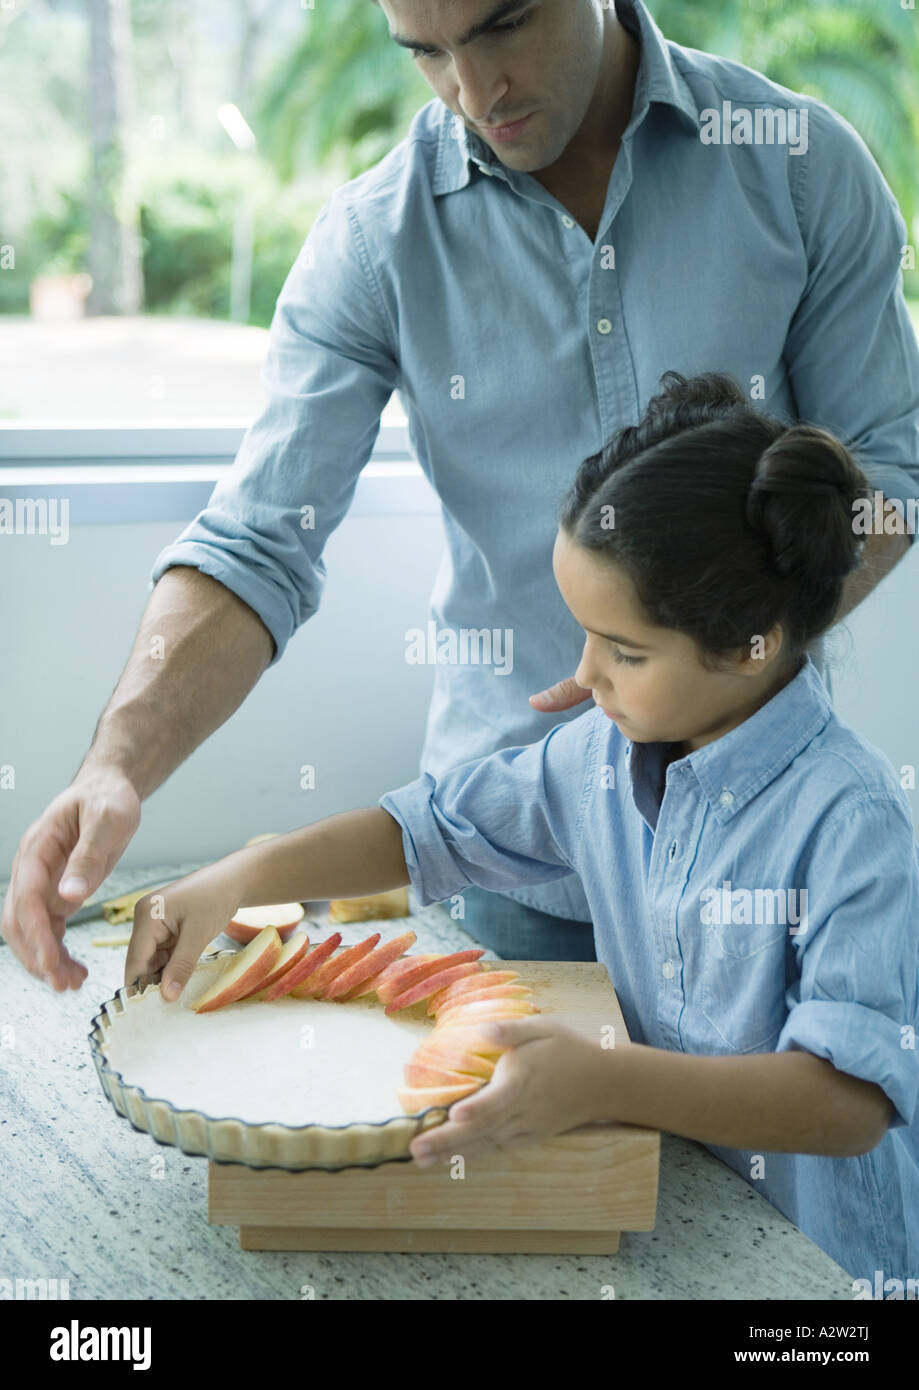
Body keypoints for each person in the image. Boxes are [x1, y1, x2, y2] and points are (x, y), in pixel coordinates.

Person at [4, 0, 917, 987]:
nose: (474, 93)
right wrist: (116, 764)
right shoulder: (370, 243)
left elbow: (886, 473)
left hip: (767, 854)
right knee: (537, 1144)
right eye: (425, 52)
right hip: (514, 878)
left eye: (503, 26)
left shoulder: (797, 164)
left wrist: (713, 648)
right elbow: (257, 543)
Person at [126, 371, 918, 1285]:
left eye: (624, 651)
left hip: (825, 1273)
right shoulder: (598, 755)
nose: (586, 674)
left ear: (751, 645)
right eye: (583, 633)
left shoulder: (851, 822)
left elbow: (848, 1102)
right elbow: (422, 831)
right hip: (681, 1220)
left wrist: (610, 1079)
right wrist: (239, 876)